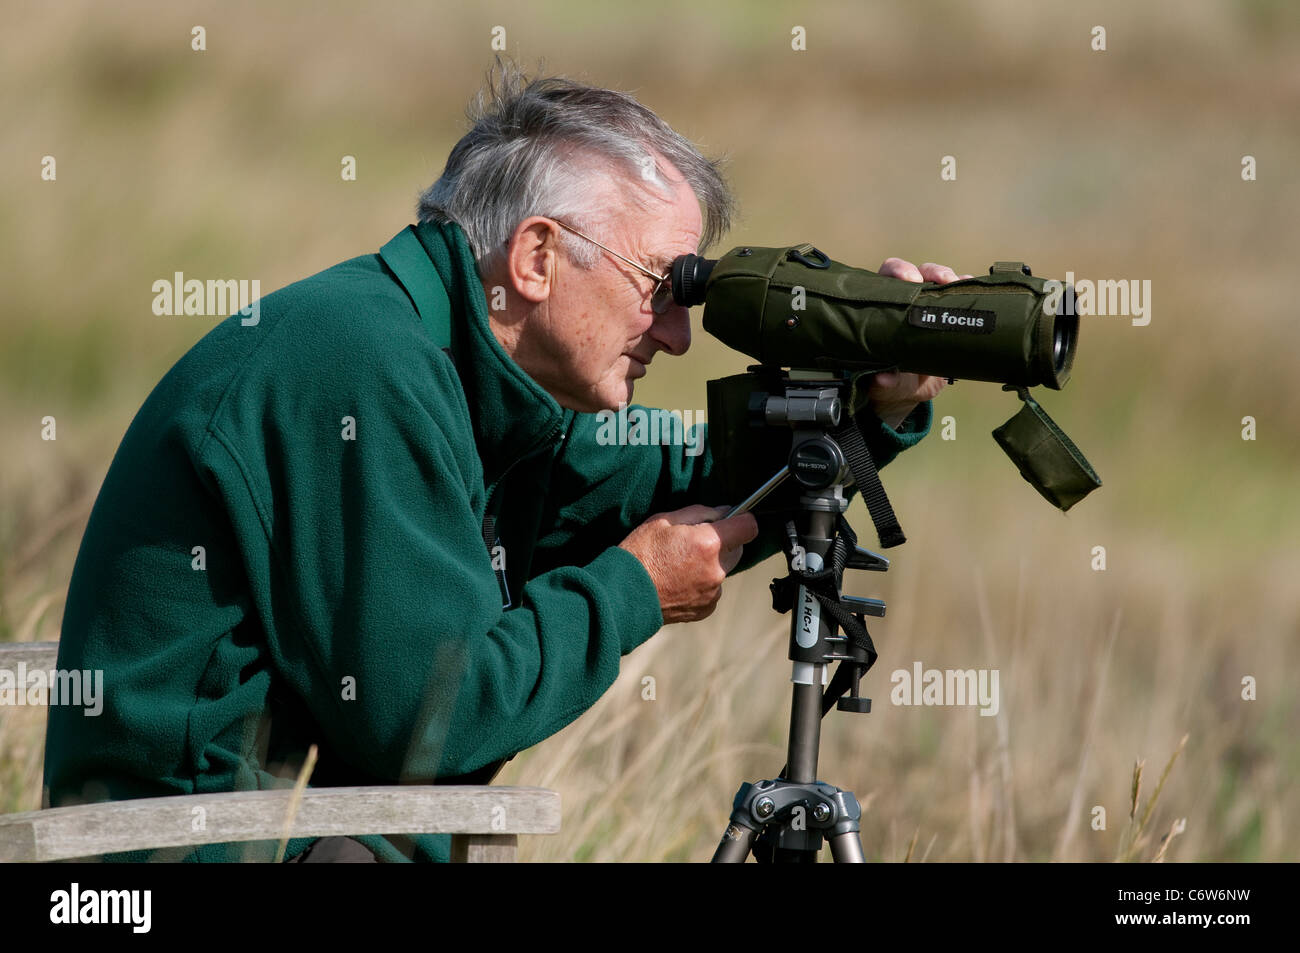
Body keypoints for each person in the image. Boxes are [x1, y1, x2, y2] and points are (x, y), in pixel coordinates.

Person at [43, 60, 955, 862]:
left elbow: (687, 484)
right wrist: (633, 589)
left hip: (301, 827)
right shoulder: (364, 364)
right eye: (663, 286)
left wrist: (872, 404)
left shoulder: (476, 380)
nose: (678, 335)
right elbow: (430, 717)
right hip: (177, 848)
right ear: (536, 256)